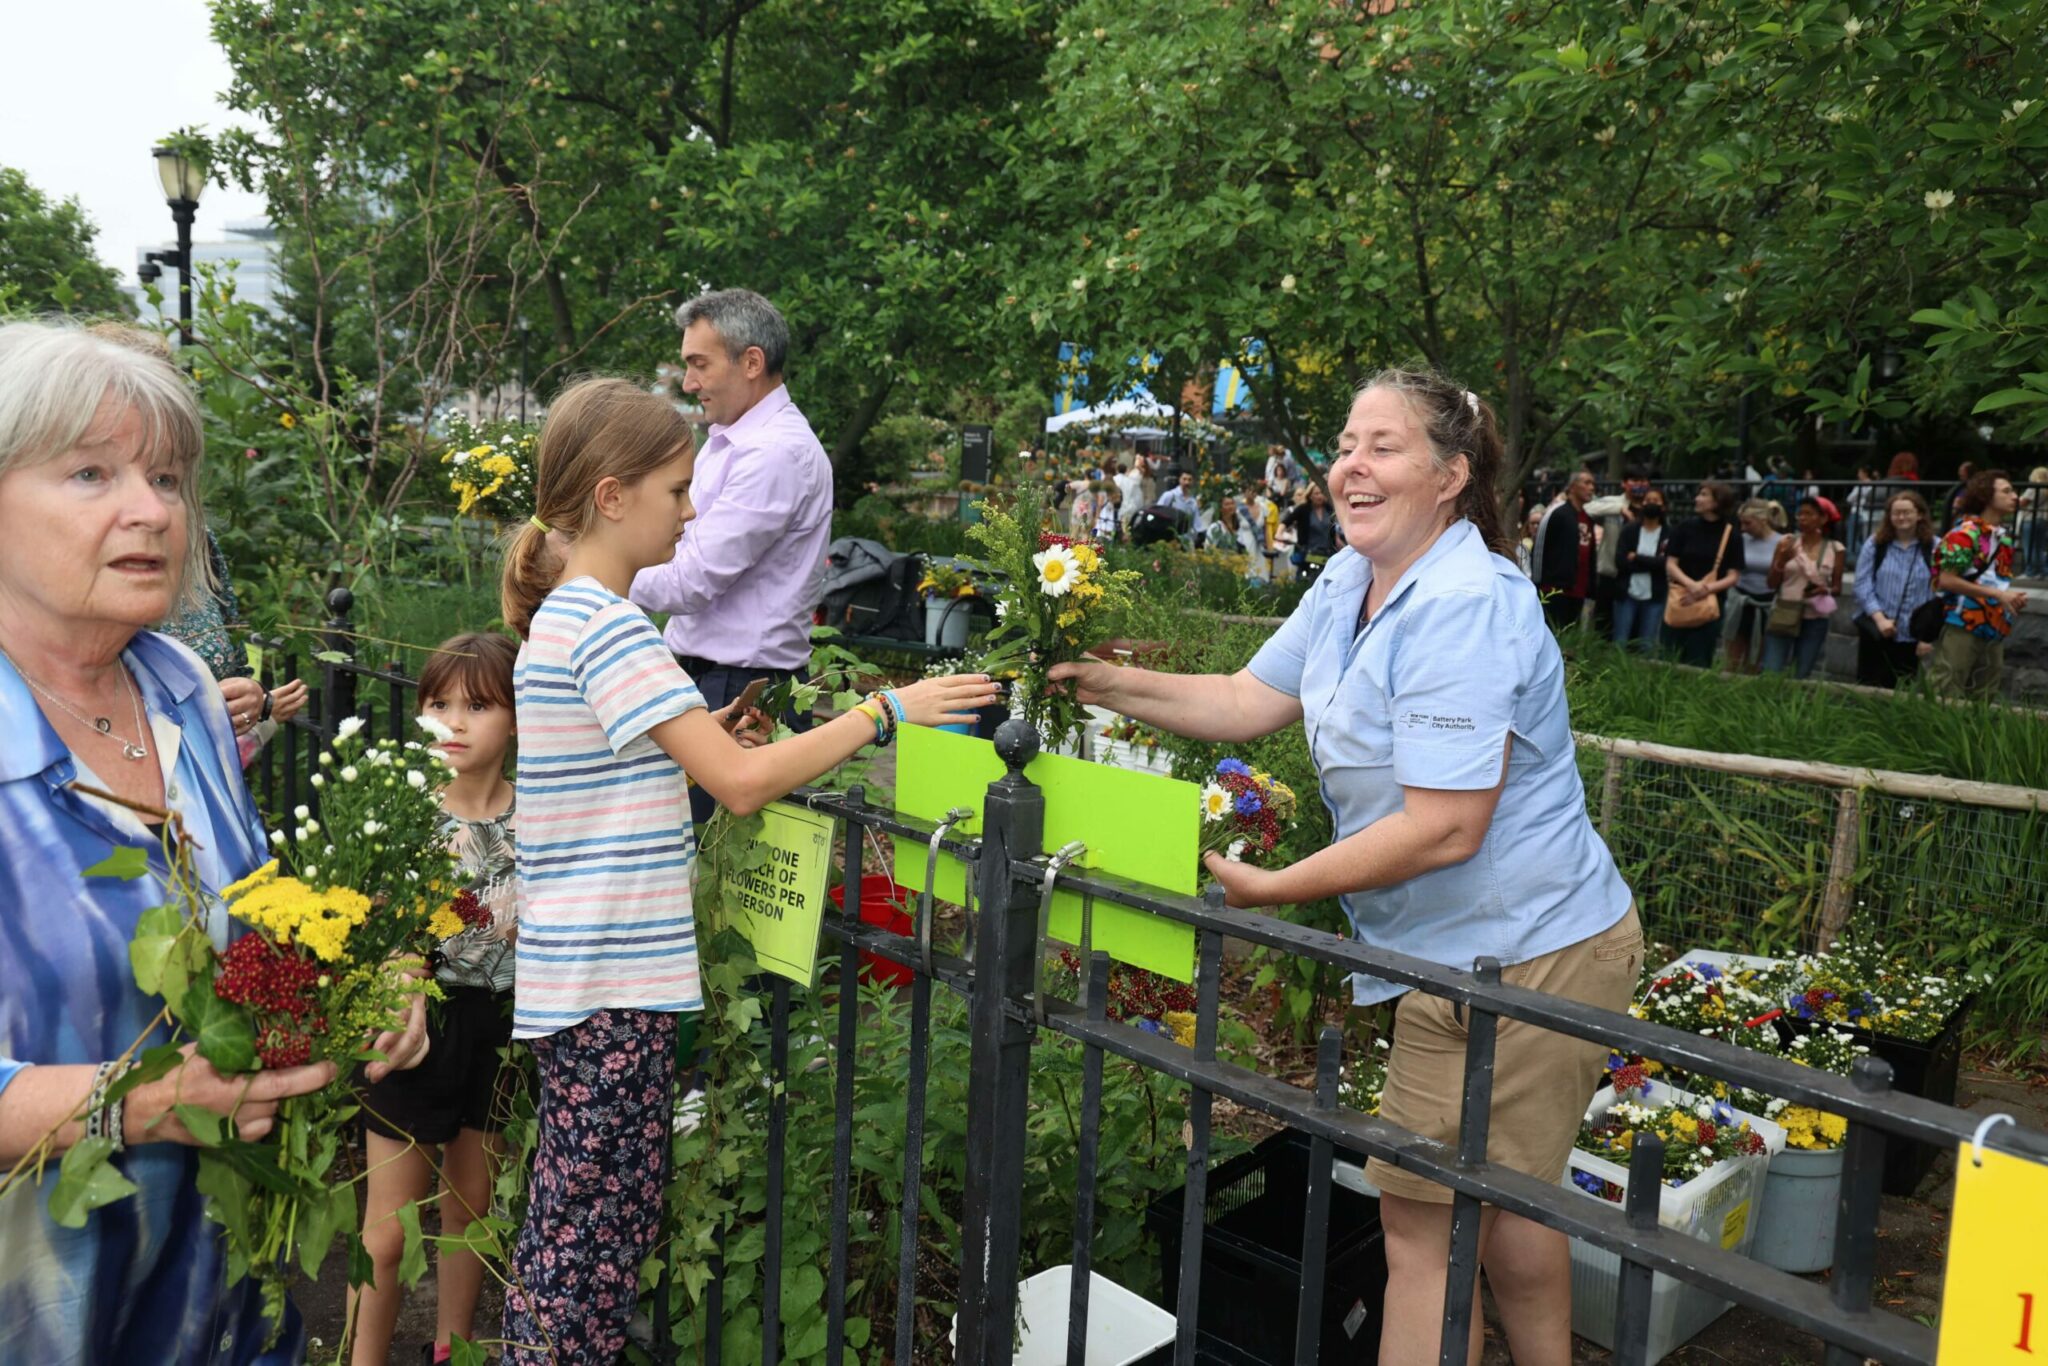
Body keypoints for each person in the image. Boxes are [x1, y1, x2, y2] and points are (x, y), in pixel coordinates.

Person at [1049, 367, 1638, 1366]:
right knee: (1503, 1207)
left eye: (1382, 446)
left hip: (1527, 956)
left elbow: (1446, 826)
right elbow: (1245, 698)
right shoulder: (1350, 579)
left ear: (1450, 475)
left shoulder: (1463, 604)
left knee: (1423, 1236)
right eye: (1345, 445)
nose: (1350, 466)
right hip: (1478, 955)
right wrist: (1102, 679)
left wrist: (1277, 888)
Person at [497, 379, 996, 1363]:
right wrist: (886, 712)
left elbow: (642, 761)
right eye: (677, 490)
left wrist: (703, 732)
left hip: (579, 975)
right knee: (587, 1258)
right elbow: (737, 785)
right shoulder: (610, 625)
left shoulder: (569, 617)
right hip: (612, 981)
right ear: (611, 497)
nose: (691, 511)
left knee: (573, 1233)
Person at [0, 319, 427, 1364]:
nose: (152, 510)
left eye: (167, 478)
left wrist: (368, 979)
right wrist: (137, 1104)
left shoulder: (180, 688)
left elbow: (253, 918)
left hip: (221, 1306)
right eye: (91, 473)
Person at [350, 632, 521, 1366]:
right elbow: (368, 922)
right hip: (417, 1021)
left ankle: (453, 1348)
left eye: (477, 706)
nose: (453, 722)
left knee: (470, 1211)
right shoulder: (407, 811)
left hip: (501, 1025)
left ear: (517, 718)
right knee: (387, 1232)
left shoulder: (537, 816)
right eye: (439, 704)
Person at [630, 289, 834, 825]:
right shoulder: (734, 442)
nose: (688, 383)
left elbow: (690, 581)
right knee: (688, 846)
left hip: (741, 690)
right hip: (713, 677)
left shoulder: (773, 453)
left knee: (707, 849)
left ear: (751, 362)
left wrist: (595, 570)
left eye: (699, 364)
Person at [1929, 470, 2027, 700]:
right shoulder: (1965, 534)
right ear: (1985, 496)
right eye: (2006, 491)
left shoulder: (2002, 538)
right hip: (1963, 622)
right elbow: (1946, 580)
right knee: (1946, 691)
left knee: (1984, 698)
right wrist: (1997, 594)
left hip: (1995, 625)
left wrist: (2008, 597)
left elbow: (1991, 580)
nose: (2015, 496)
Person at [1852, 491, 1938, 688]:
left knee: (1906, 687)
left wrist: (1927, 635)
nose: (1901, 517)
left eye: (1907, 512)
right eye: (1896, 513)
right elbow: (1862, 584)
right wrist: (1880, 619)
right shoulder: (1875, 544)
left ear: (1920, 514)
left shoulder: (1934, 546)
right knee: (1870, 686)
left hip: (1914, 634)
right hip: (1879, 630)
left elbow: (1938, 592)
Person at [1760, 496, 1845, 679]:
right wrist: (1782, 561)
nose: (1802, 518)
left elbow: (1837, 588)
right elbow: (1771, 584)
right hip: (1784, 611)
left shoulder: (1836, 548)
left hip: (1815, 617)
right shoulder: (1786, 543)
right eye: (1800, 514)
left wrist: (1824, 590)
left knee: (1801, 673)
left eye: (1809, 514)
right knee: (1771, 670)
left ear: (1823, 518)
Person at [1661, 482, 1741, 667]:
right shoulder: (1684, 527)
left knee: (1699, 658)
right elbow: (1671, 563)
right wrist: (1691, 585)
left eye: (1704, 495)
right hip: (1679, 597)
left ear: (1718, 501)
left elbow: (1733, 575)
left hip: (1710, 602)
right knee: (1668, 654)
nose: (1697, 499)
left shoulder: (1731, 535)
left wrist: (1703, 590)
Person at [1585, 465, 1650, 637]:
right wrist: (1619, 509)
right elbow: (1588, 509)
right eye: (1634, 480)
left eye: (1643, 481)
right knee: (1603, 625)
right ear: (1624, 483)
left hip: (1639, 575)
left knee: (1635, 629)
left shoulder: (1651, 507)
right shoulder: (1614, 503)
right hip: (1611, 573)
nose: (1639, 485)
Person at [1723, 499, 1785, 673]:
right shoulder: (1741, 540)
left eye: (1748, 523)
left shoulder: (1782, 542)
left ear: (1763, 520)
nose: (1743, 528)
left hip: (1766, 603)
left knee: (1755, 658)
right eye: (1741, 523)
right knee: (1732, 658)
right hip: (1740, 600)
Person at [1532, 468, 1596, 630]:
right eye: (1587, 483)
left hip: (1579, 590)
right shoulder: (1557, 513)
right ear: (1573, 486)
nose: (1592, 488)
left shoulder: (1587, 518)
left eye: (1593, 484)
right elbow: (1539, 548)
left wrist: (1591, 586)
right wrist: (1538, 583)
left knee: (1571, 637)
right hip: (1555, 590)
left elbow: (1590, 554)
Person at [1612, 492, 1668, 651]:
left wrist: (1637, 557)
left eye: (1655, 500)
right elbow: (1621, 562)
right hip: (1627, 594)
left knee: (1647, 644)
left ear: (1663, 506)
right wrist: (1652, 563)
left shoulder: (1668, 534)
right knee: (1620, 641)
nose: (1651, 503)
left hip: (1654, 596)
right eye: (1647, 500)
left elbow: (1665, 564)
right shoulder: (1629, 531)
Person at [1282, 483, 1339, 584]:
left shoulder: (1329, 509)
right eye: (1316, 493)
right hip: (1308, 553)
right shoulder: (1303, 509)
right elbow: (1285, 522)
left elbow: (1336, 529)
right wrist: (1280, 535)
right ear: (1310, 495)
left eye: (1321, 493)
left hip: (1327, 553)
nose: (1319, 496)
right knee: (1307, 582)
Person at [2017, 464, 2048, 577]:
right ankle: (2042, 570)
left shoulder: (2033, 488)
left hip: (2030, 519)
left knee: (2029, 547)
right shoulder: (2046, 489)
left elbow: (2022, 503)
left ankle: (2031, 571)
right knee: (2040, 547)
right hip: (2043, 519)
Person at [1157, 468, 1200, 535]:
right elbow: (1157, 513)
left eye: (1189, 480)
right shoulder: (1169, 495)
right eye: (1184, 479)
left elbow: (1197, 524)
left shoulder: (1193, 502)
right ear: (1179, 480)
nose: (1187, 482)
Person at [1113, 460, 1145, 529]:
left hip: (1116, 504)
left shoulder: (1114, 479)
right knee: (1125, 525)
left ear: (1117, 470)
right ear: (1125, 470)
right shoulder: (1130, 481)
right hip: (1128, 504)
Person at [1516, 506, 1543, 579]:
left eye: (1539, 523)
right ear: (1528, 525)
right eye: (1533, 523)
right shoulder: (1523, 546)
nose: (1536, 526)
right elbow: (1526, 573)